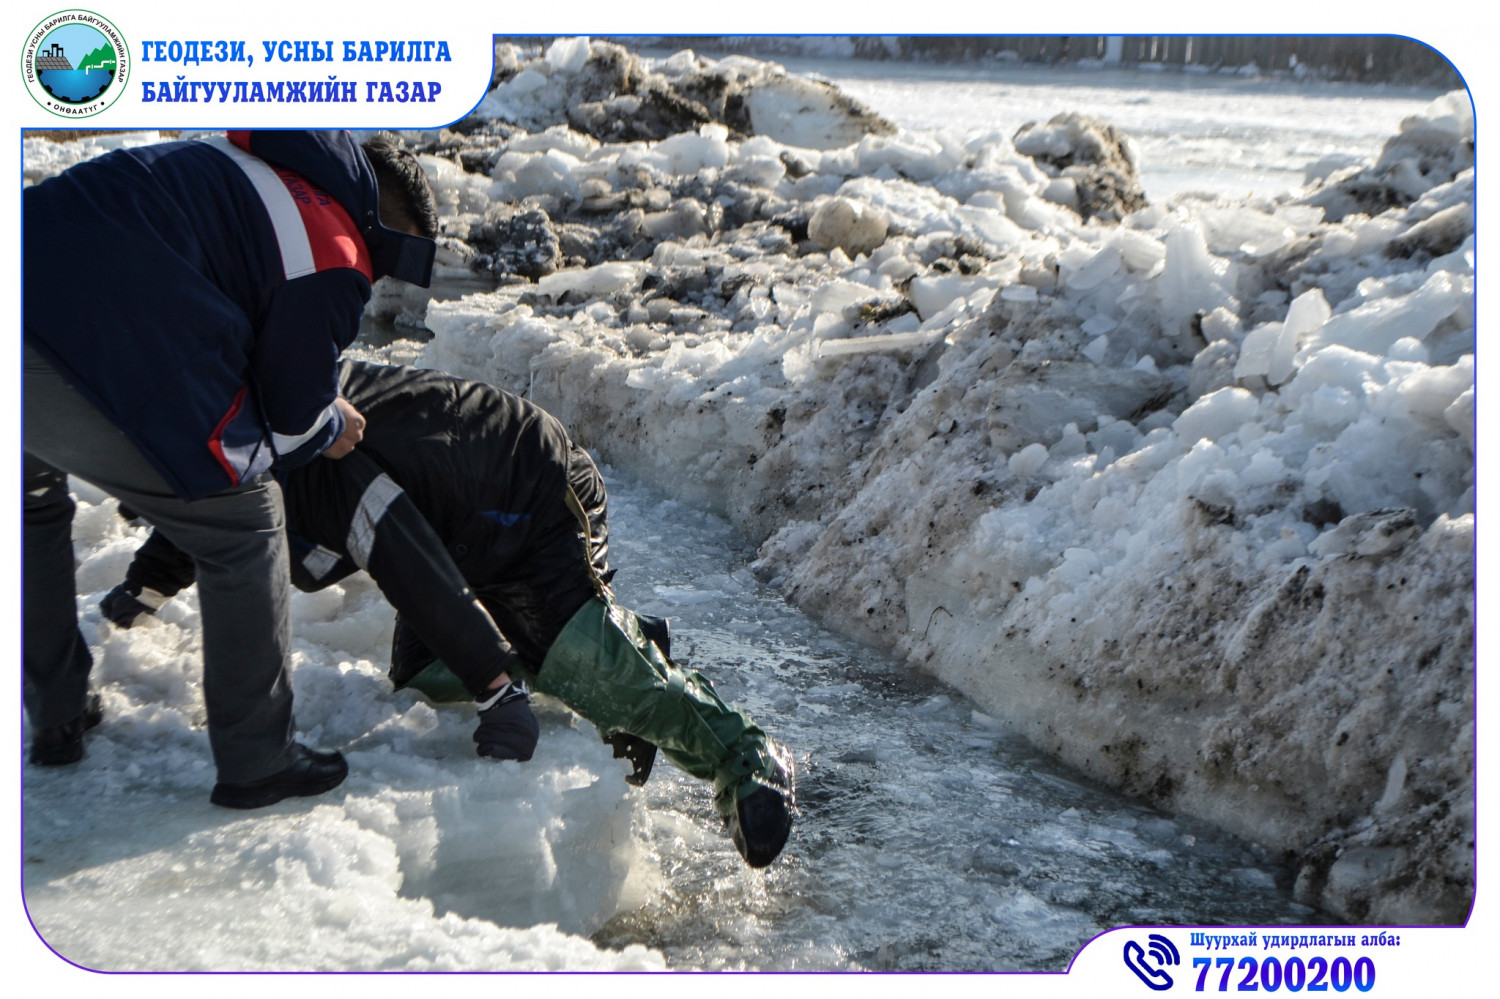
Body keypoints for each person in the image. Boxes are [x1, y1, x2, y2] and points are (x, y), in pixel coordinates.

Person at [102, 359, 797, 867]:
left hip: (528, 488)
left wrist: (499, 686)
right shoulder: (231, 450)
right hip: (450, 538)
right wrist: (133, 598)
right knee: (425, 674)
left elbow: (396, 552)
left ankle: (746, 759)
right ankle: (613, 663)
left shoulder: (294, 447)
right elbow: (199, 522)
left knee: (579, 659)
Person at [23, 130, 439, 810]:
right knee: (245, 525)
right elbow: (291, 423)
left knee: (34, 506)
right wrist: (335, 421)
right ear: (390, 225)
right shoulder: (332, 244)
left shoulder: (227, 163)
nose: (383, 279)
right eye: (399, 258)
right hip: (85, 357)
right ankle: (258, 758)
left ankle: (57, 714)